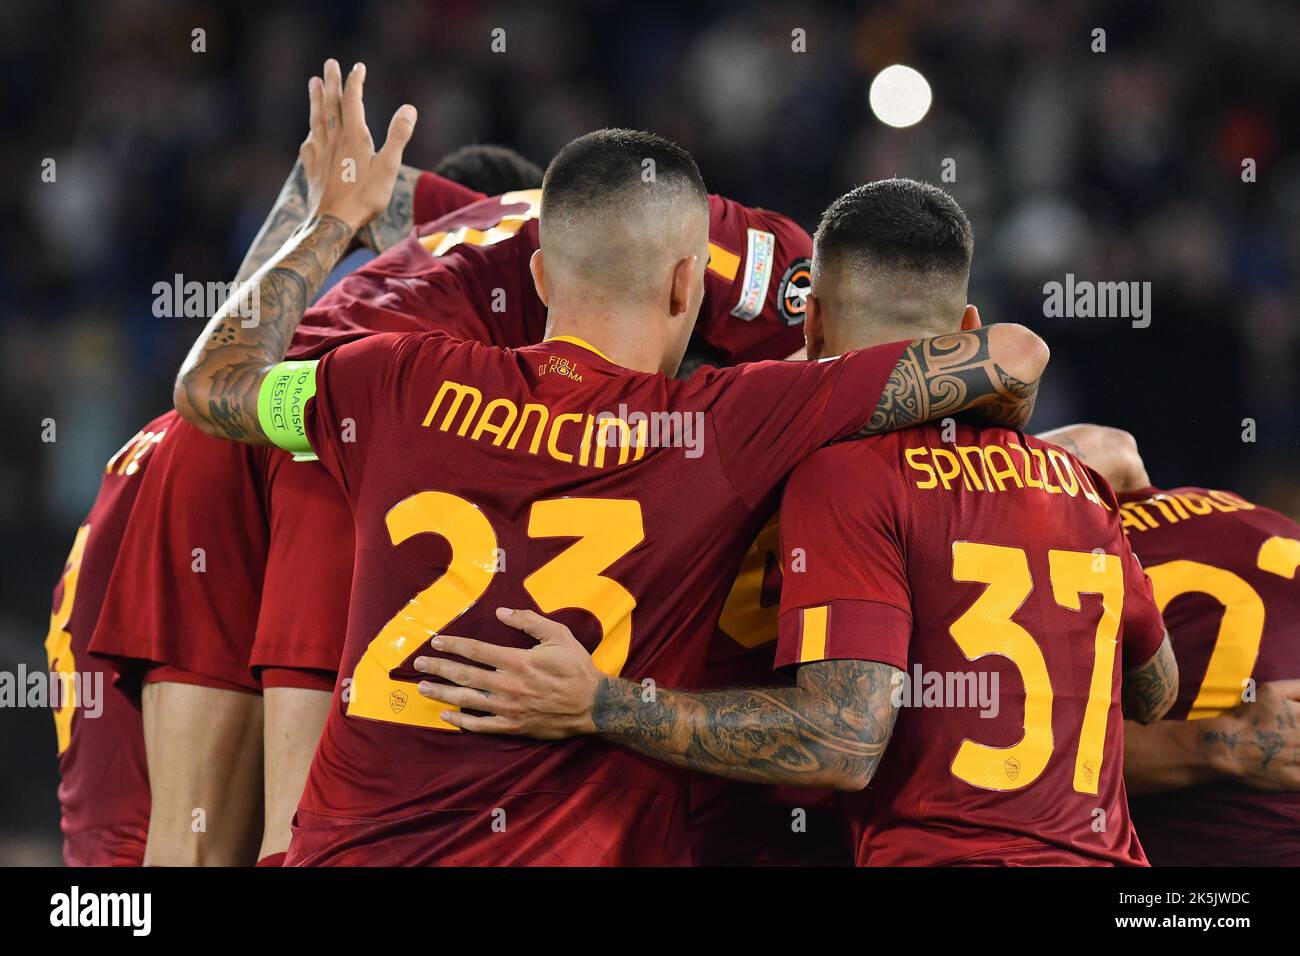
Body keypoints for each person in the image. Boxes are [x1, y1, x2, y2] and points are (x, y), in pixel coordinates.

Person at [171, 61, 1048, 864]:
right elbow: (1009, 356)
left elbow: (212, 384)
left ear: (543, 277)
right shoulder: (726, 425)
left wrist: (329, 220)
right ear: (684, 288)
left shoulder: (391, 378)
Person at [416, 180, 1179, 866]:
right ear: (968, 324)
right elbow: (1155, 689)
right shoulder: (1075, 482)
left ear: (810, 323)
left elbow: (838, 740)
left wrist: (601, 702)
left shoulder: (843, 475)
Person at [1040, 423, 1300, 865]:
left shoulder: (1046, 562)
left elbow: (1023, 759)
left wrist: (1225, 744)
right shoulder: (1245, 513)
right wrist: (1226, 743)